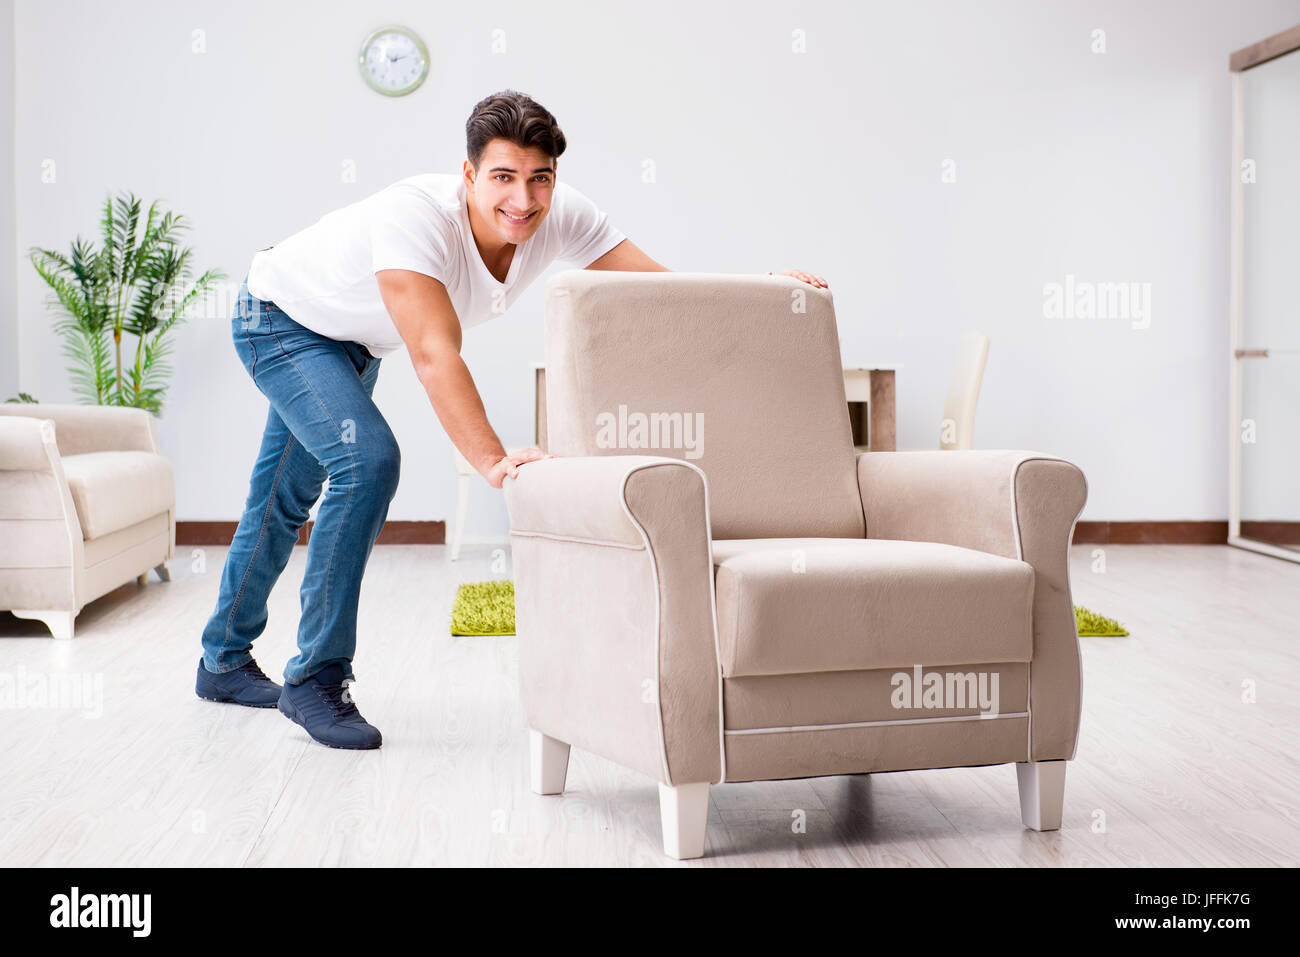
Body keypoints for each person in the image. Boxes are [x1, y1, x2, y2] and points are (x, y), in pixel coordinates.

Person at [195, 89, 828, 750]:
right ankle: (316, 677)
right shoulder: (415, 219)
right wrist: (494, 460)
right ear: (468, 175)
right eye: (502, 178)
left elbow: (658, 291)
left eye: (539, 180)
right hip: (278, 319)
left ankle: (223, 661)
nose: (522, 201)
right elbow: (435, 355)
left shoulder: (560, 215)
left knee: (286, 495)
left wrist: (764, 287)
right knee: (368, 461)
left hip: (349, 342)